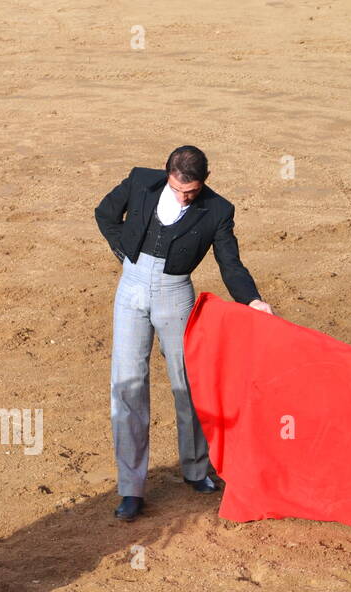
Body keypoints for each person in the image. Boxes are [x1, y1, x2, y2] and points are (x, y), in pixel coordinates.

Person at [94, 145, 271, 521]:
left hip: (176, 296)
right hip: (131, 288)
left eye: (190, 192)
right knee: (127, 386)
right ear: (167, 174)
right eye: (177, 189)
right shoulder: (141, 181)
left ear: (203, 183)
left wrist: (252, 300)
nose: (183, 196)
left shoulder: (218, 210)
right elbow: (105, 213)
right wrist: (124, 252)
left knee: (188, 383)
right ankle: (131, 488)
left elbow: (230, 262)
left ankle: (195, 469)